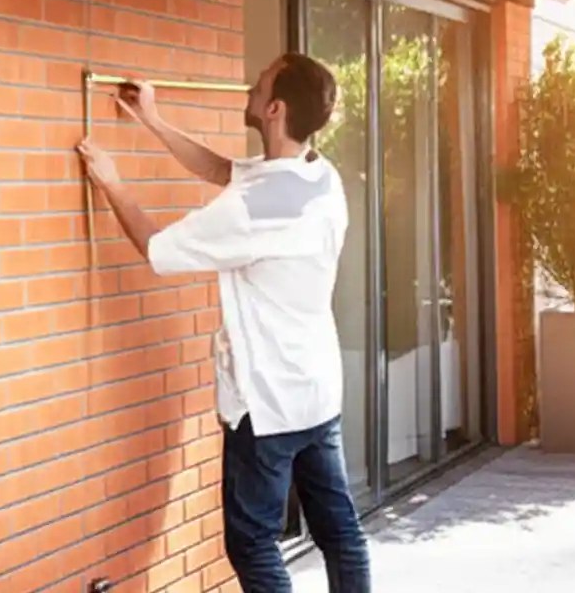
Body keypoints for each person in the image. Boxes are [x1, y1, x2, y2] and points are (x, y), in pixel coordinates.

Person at [77, 53, 371, 592]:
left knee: (253, 541)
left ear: (275, 108)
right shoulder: (318, 176)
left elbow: (155, 247)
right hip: (317, 392)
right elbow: (221, 170)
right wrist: (152, 118)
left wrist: (111, 181)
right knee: (339, 531)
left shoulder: (253, 208)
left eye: (259, 84)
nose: (250, 87)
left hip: (267, 403)